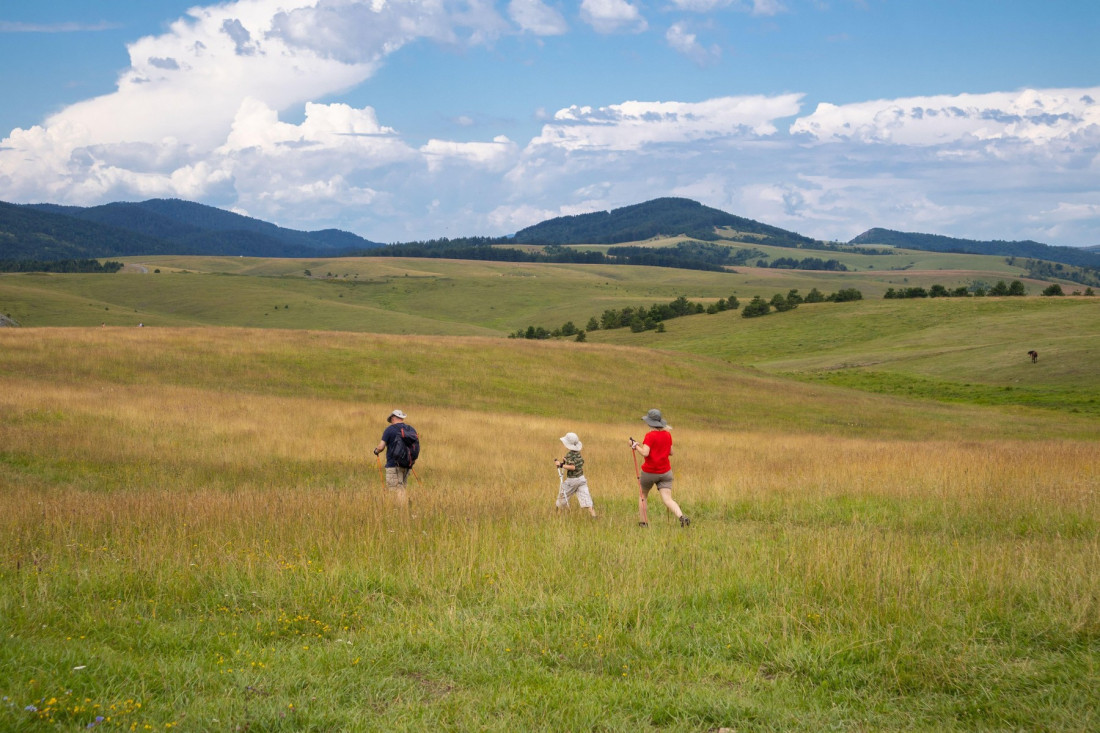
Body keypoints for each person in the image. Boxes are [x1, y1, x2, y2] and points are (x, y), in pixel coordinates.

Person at [631, 409, 690, 527]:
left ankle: (643, 523)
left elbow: (645, 453)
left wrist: (635, 445)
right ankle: (682, 517)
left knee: (643, 495)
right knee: (668, 499)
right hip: (665, 472)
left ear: (649, 422)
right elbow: (671, 452)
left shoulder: (650, 435)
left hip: (649, 472)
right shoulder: (667, 434)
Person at [372, 409, 417, 504]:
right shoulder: (410, 429)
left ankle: (399, 509)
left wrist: (376, 451)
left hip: (393, 464)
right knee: (402, 487)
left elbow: (381, 447)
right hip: (407, 465)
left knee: (395, 488)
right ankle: (404, 507)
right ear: (401, 418)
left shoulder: (389, 429)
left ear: (393, 418)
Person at [554, 432, 597, 518]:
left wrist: (561, 464)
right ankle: (594, 516)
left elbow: (572, 467)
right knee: (586, 499)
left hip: (572, 481)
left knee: (562, 498)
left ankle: (557, 516)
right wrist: (565, 460)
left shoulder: (570, 454)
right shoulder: (578, 454)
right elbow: (576, 462)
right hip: (581, 479)